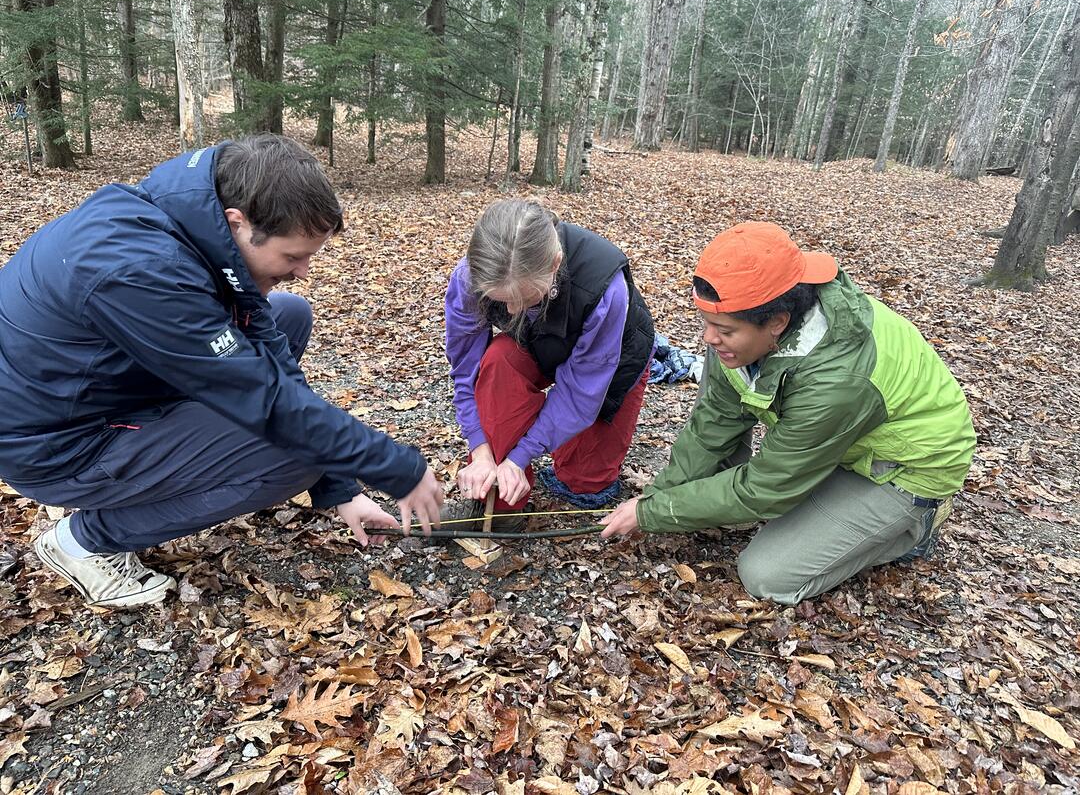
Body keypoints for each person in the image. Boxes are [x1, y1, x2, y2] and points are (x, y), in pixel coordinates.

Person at [0, 134, 443, 609]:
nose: (304, 270)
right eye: (293, 256)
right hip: (56, 442)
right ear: (238, 223)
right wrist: (398, 469)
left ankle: (149, 475)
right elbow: (268, 401)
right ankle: (83, 540)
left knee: (289, 313)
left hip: (98, 390)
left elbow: (270, 366)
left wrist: (339, 490)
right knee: (294, 456)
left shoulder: (193, 223)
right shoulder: (141, 272)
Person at [600, 221, 976, 605]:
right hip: (838, 441)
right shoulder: (744, 321)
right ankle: (821, 498)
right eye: (706, 323)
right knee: (721, 490)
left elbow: (767, 489)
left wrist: (653, 513)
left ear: (777, 322)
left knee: (766, 576)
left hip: (903, 468)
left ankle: (916, 525)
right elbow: (712, 423)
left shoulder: (837, 381)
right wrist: (657, 497)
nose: (708, 339)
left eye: (724, 330)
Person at [443, 199, 654, 527]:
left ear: (555, 264)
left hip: (613, 360)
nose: (511, 312)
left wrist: (521, 454)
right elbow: (466, 372)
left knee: (585, 481)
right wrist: (482, 449)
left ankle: (550, 463)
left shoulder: (603, 289)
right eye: (501, 300)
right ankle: (500, 507)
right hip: (540, 343)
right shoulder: (471, 278)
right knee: (498, 360)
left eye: (526, 298)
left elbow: (579, 393)